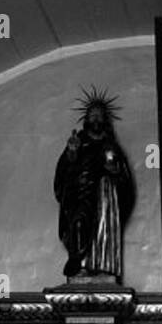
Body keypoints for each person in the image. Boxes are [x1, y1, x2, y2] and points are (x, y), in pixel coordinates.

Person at [54, 87, 134, 281]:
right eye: (93, 115)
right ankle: (79, 263)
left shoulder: (110, 145)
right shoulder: (78, 141)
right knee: (79, 222)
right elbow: (64, 170)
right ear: (87, 119)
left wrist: (113, 171)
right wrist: (72, 152)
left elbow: (123, 178)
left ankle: (102, 268)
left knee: (103, 228)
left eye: (100, 115)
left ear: (105, 120)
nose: (96, 119)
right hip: (81, 193)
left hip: (105, 196)